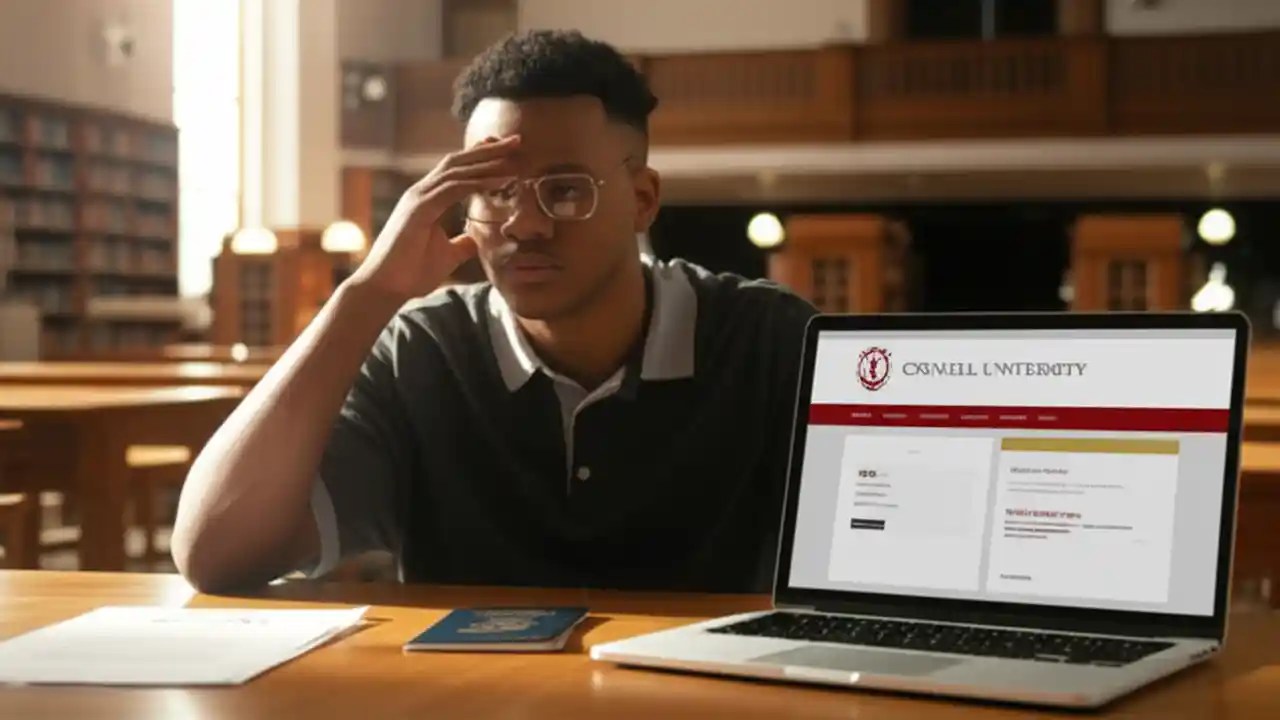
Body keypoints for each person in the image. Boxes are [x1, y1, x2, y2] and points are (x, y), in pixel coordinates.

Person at [172, 30, 816, 594]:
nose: (525, 224)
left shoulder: (770, 338)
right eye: (495, 191)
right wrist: (366, 292)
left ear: (643, 199)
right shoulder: (420, 352)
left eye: (566, 191)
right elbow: (213, 553)